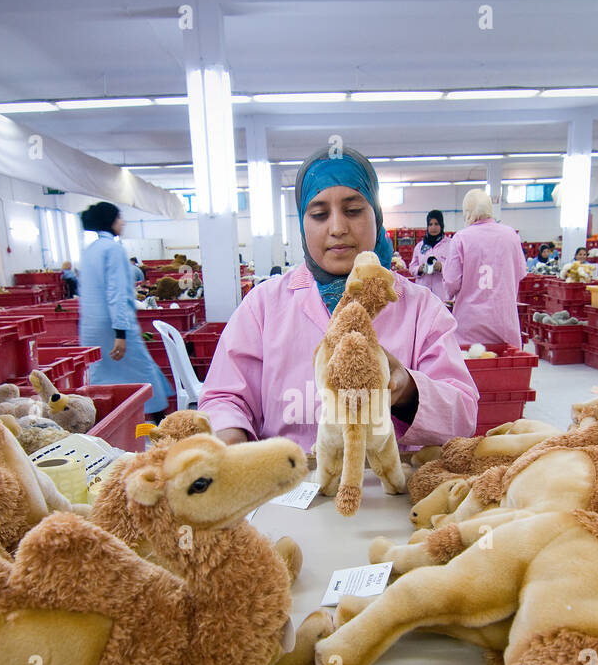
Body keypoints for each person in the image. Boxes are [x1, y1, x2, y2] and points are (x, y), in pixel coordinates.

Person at [198, 145, 477, 450]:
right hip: (287, 486)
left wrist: (406, 389)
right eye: (318, 214)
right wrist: (231, 443)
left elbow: (462, 415)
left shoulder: (422, 310)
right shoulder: (263, 307)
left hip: (389, 490)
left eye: (354, 210)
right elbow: (224, 397)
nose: (337, 228)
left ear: (377, 216)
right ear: (303, 225)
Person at [77, 202, 171, 417]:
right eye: (120, 218)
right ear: (110, 221)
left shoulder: (89, 250)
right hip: (113, 328)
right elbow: (117, 293)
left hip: (91, 328)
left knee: (101, 378)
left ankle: (108, 421)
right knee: (144, 376)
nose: (123, 222)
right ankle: (161, 426)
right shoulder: (113, 249)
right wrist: (120, 332)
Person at [443, 189, 527, 346]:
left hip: (469, 326)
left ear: (467, 211)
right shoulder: (511, 236)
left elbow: (451, 282)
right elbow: (521, 273)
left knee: (473, 367)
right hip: (505, 323)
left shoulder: (461, 238)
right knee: (507, 368)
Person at [408, 209, 453, 303]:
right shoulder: (420, 246)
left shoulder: (451, 245)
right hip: (423, 294)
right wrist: (419, 269)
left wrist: (442, 267)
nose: (433, 227)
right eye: (430, 224)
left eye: (436, 224)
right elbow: (412, 267)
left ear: (441, 225)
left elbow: (455, 268)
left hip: (442, 295)